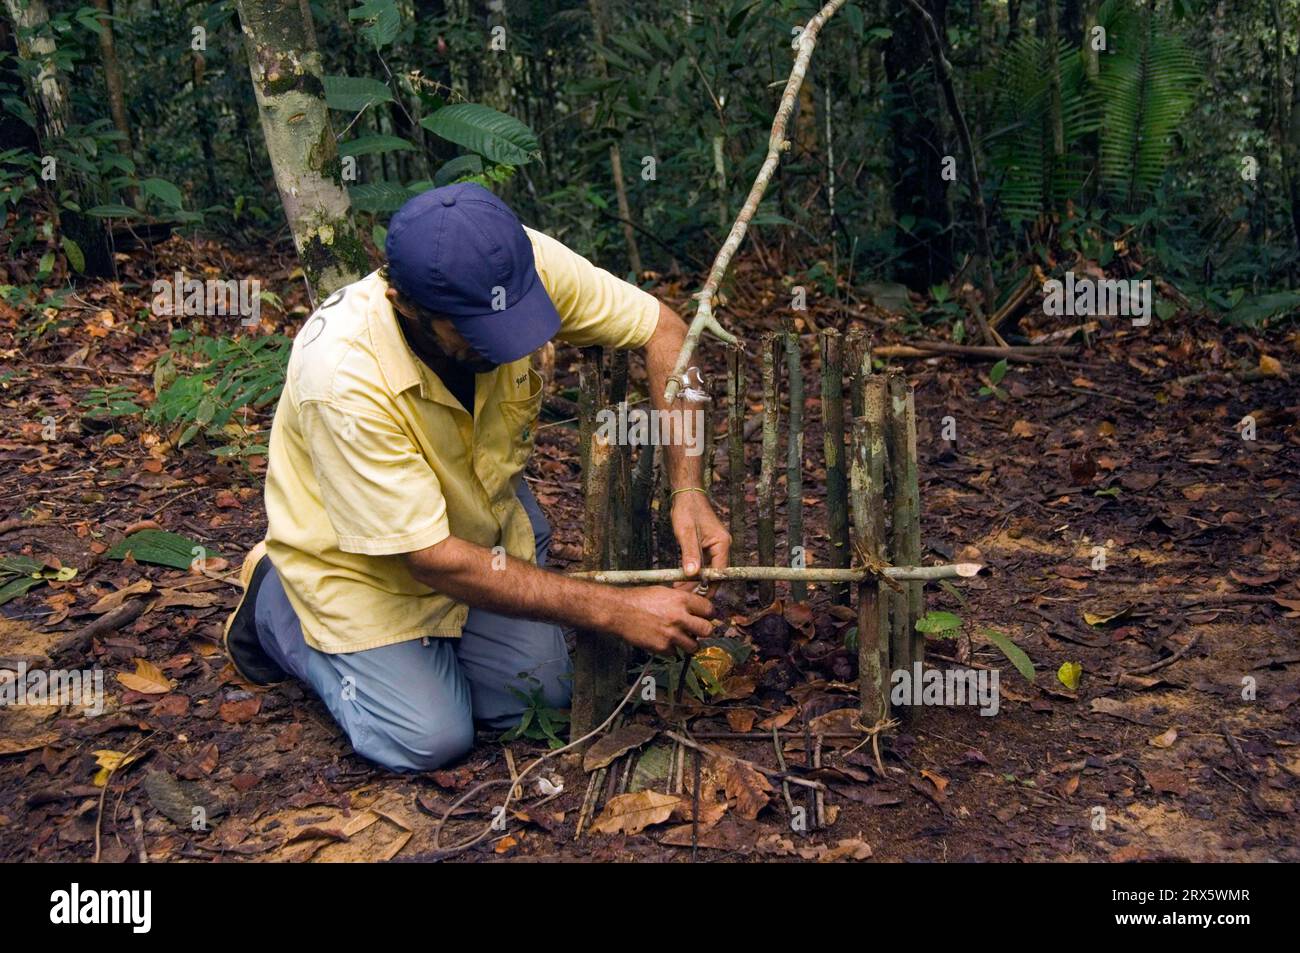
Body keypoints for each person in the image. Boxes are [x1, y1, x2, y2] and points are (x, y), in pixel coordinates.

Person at [221, 182, 730, 771]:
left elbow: (667, 332)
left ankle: (436, 653)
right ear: (404, 304)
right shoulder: (341, 378)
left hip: (478, 534)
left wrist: (688, 488)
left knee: (540, 700)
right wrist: (616, 610)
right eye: (474, 330)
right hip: (362, 564)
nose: (505, 344)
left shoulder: (512, 267)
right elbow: (431, 557)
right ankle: (275, 602)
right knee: (429, 738)